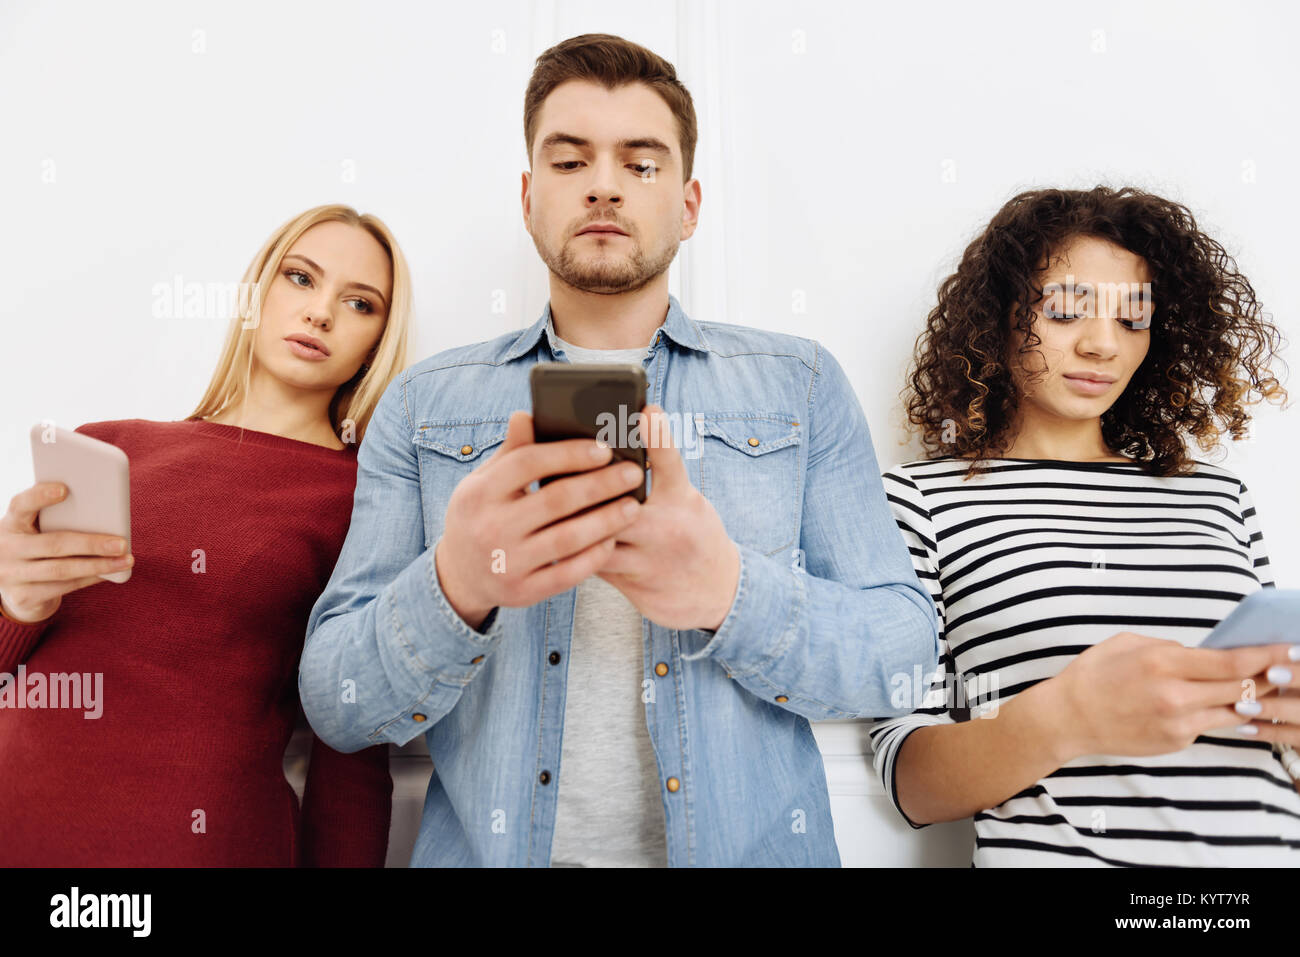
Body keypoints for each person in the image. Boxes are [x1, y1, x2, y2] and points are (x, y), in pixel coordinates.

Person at [298, 33, 938, 867]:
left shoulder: (801, 385)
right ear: (528, 197)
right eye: (569, 163)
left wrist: (728, 590)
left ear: (690, 203)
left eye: (641, 164)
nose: (603, 184)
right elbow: (335, 702)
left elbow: (901, 654)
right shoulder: (424, 405)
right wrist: (456, 584)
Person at [869, 186, 1300, 865]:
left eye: (1133, 320)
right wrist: (1065, 717)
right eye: (1067, 311)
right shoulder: (920, 500)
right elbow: (911, 781)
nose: (1103, 344)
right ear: (1000, 316)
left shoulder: (1217, 497)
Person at [0, 204, 409, 866]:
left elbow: (351, 750)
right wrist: (14, 601)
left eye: (360, 302)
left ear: (379, 338)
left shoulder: (365, 499)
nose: (321, 312)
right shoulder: (109, 446)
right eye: (301, 279)